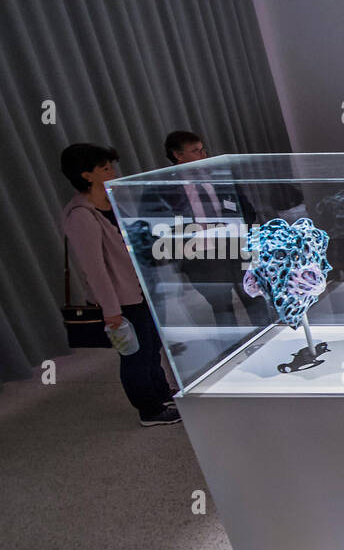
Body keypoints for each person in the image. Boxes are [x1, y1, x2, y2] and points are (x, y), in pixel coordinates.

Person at [59, 143, 179, 426]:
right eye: (104, 168)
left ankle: (161, 392)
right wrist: (111, 311)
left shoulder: (111, 201)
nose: (112, 172)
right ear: (86, 175)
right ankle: (149, 410)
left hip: (141, 288)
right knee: (134, 354)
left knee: (151, 347)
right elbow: (95, 269)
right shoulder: (81, 215)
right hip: (122, 298)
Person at [159, 129, 257, 327]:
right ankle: (233, 351)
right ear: (177, 155)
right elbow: (164, 226)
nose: (203, 156)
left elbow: (246, 210)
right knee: (221, 307)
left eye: (203, 150)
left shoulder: (219, 177)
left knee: (254, 297)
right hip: (202, 257)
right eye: (195, 151)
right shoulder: (166, 188)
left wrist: (245, 237)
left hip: (236, 249)